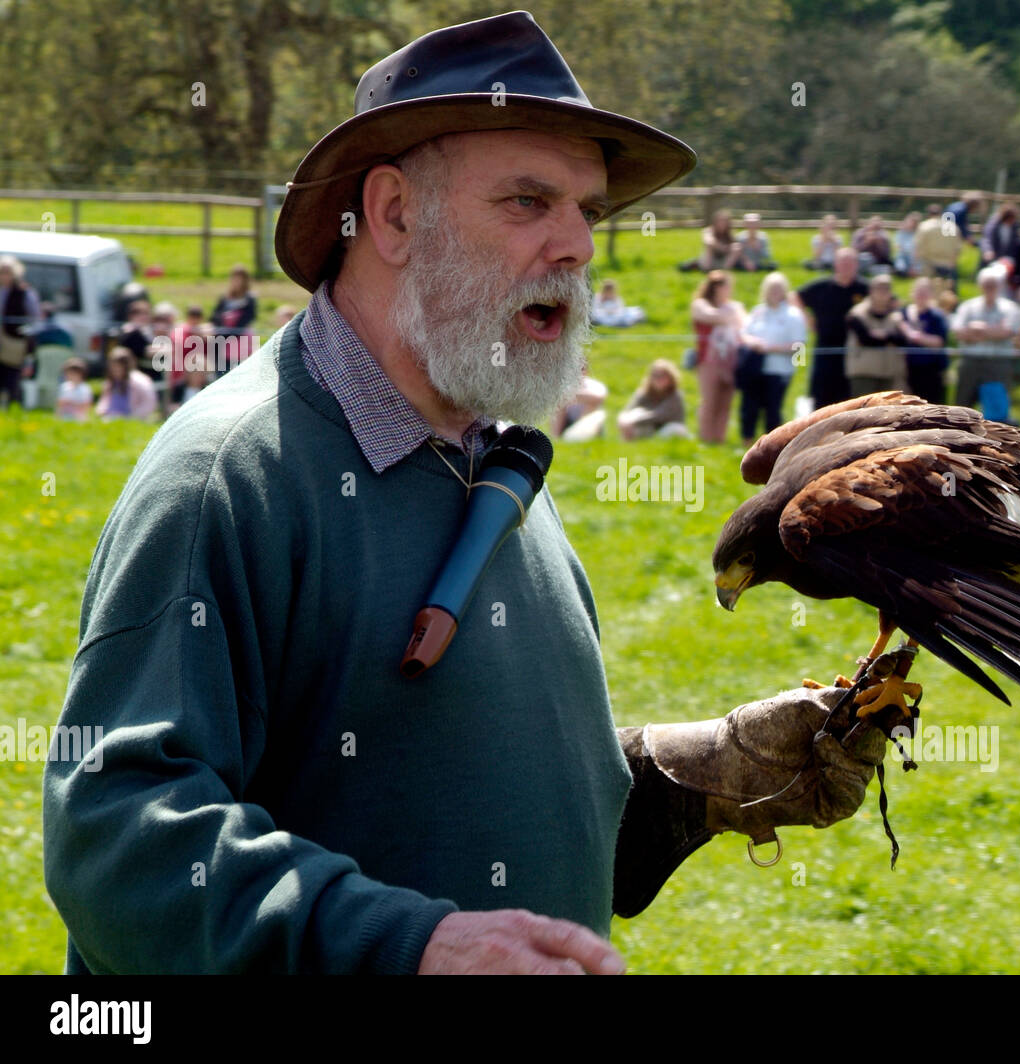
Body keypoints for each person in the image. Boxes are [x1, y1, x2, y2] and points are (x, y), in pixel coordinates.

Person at [43, 13, 886, 978]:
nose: (575, 245)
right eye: (528, 201)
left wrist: (696, 778)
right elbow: (116, 840)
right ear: (395, 215)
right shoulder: (230, 476)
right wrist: (408, 949)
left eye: (589, 212)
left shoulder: (495, 458)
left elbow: (450, 791)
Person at [737, 271, 805, 445]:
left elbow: (799, 347)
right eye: (771, 288)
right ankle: (747, 443)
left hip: (779, 370)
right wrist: (754, 343)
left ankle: (772, 446)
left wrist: (772, 348)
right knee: (749, 407)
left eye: (778, 289)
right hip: (755, 368)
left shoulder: (793, 315)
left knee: (772, 410)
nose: (774, 292)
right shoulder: (758, 312)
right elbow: (743, 334)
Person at [794, 246, 867, 409]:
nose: (846, 266)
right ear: (835, 264)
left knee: (850, 401)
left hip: (854, 352)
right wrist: (808, 319)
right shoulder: (821, 287)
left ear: (856, 265)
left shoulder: (864, 288)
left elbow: (891, 301)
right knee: (821, 400)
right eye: (843, 262)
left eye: (850, 262)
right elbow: (795, 297)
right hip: (825, 350)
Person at [951, 267, 1020, 420]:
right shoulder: (967, 307)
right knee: (962, 406)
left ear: (1000, 286)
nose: (989, 288)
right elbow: (958, 332)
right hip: (970, 361)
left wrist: (978, 329)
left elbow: (1007, 332)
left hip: (998, 362)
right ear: (980, 285)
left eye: (993, 285)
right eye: (986, 284)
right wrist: (992, 332)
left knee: (997, 407)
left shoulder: (1010, 308)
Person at [691, 269, 746, 443]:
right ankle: (706, 438)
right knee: (709, 401)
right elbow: (710, 316)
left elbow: (744, 324)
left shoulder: (734, 306)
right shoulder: (700, 304)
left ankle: (719, 438)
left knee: (725, 401)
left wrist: (731, 315)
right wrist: (730, 315)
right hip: (709, 360)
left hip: (730, 359)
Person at [845, 273, 907, 396]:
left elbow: (902, 340)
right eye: (879, 288)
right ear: (871, 291)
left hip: (889, 374)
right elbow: (867, 339)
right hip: (864, 374)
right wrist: (889, 337)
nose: (883, 292)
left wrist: (883, 335)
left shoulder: (895, 315)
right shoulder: (857, 314)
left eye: (887, 289)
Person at [899, 276, 948, 404]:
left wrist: (916, 336)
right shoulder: (904, 313)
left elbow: (939, 341)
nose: (921, 296)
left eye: (925, 292)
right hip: (908, 370)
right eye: (919, 292)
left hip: (931, 370)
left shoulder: (937, 316)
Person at [0, 255, 40, 407]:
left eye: (7, 272)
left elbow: (35, 317)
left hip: (14, 340)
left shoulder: (24, 292)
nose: (4, 276)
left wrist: (25, 332)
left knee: (12, 373)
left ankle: (13, 405)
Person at [617, 359, 689, 439]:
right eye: (655, 376)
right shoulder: (644, 392)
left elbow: (660, 415)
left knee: (674, 429)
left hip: (668, 429)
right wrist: (624, 419)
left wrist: (635, 418)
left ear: (670, 378)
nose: (659, 379)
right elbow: (628, 410)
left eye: (663, 376)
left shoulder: (675, 396)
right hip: (650, 429)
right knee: (634, 425)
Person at [211, 264, 258, 376]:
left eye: (239, 279)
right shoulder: (225, 298)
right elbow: (214, 317)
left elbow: (247, 318)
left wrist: (228, 331)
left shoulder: (249, 299)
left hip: (240, 343)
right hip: (222, 344)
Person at [95, 347, 158, 421]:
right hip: (110, 417)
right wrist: (101, 411)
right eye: (113, 366)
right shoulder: (110, 382)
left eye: (118, 366)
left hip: (131, 417)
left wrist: (133, 416)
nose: (115, 369)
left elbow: (149, 402)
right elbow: (105, 400)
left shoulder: (140, 381)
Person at [913, 203, 963, 292]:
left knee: (929, 291)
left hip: (929, 266)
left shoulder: (924, 226)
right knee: (946, 293)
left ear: (929, 214)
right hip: (947, 265)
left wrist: (914, 264)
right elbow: (958, 248)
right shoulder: (952, 227)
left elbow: (918, 247)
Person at [553, 370, 608, 441]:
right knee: (559, 406)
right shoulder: (565, 385)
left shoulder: (593, 385)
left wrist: (573, 396)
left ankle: (582, 433)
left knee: (592, 403)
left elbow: (599, 397)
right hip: (568, 420)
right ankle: (556, 437)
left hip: (588, 420)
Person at [980, 202, 1019, 267]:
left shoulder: (1014, 226)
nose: (1013, 221)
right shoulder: (994, 223)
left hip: (1006, 259)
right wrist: (988, 250)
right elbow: (986, 238)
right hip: (991, 256)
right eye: (1012, 218)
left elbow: (1015, 241)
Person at [893, 211, 921, 276]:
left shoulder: (919, 234)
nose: (912, 224)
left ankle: (910, 271)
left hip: (915, 259)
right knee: (900, 267)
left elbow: (918, 252)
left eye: (914, 222)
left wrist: (913, 266)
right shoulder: (901, 232)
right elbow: (899, 247)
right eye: (911, 221)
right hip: (903, 256)